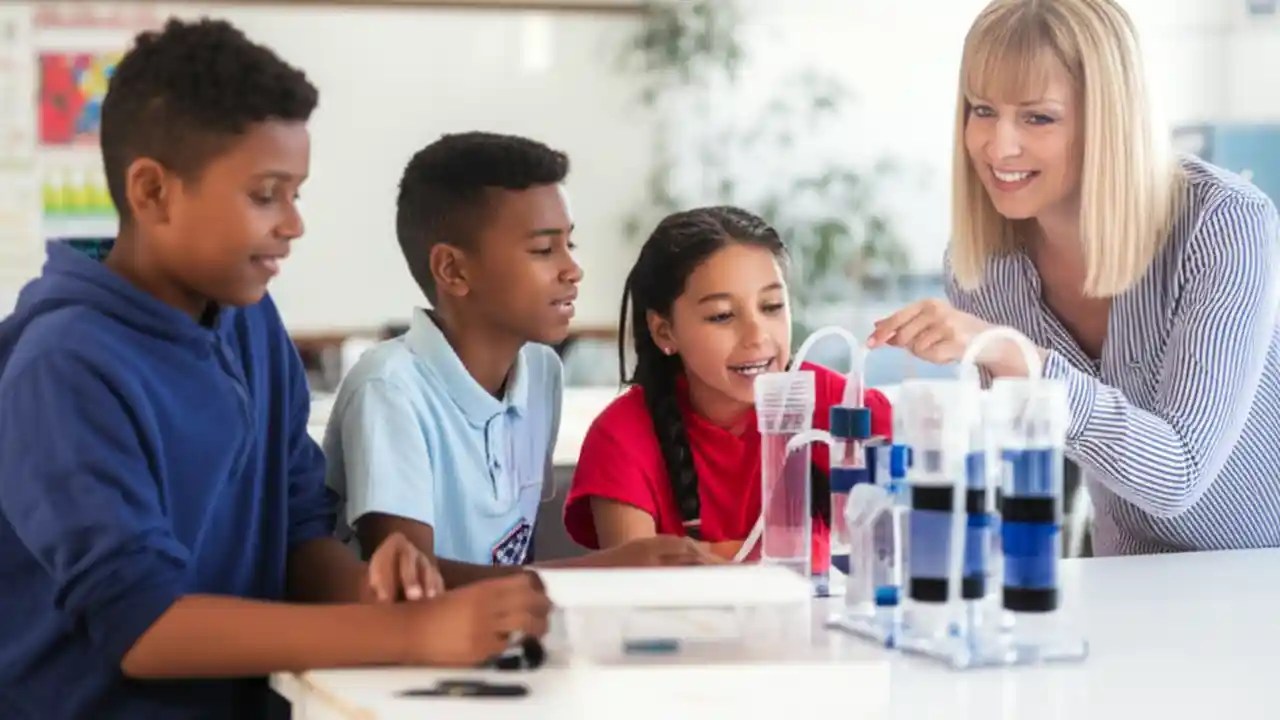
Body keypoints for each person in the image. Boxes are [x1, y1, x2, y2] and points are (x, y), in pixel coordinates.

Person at [0, 20, 548, 719]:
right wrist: (405, 631)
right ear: (153, 192)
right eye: (266, 194)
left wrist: (376, 592)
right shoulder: (63, 366)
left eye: (298, 192)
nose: (294, 223)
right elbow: (142, 626)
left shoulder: (250, 319)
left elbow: (297, 533)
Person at [869, 0, 1280, 555]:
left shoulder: (1225, 224)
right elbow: (1020, 465)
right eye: (982, 109)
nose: (998, 145)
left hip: (1261, 579)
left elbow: (1179, 472)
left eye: (1037, 117)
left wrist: (1026, 362)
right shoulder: (981, 272)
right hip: (1127, 579)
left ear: (1107, 119)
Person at [324, 132, 720, 587]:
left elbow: (512, 549)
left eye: (571, 244)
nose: (573, 269)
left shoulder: (541, 371)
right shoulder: (389, 390)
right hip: (402, 651)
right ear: (453, 270)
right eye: (543, 250)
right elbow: (412, 583)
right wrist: (608, 569)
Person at [564, 206, 893, 566]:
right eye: (722, 315)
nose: (757, 336)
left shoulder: (834, 401)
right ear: (665, 331)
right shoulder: (621, 436)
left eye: (771, 306)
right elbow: (637, 587)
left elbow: (937, 493)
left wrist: (965, 349)